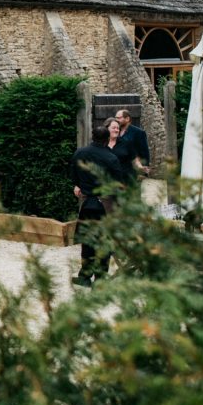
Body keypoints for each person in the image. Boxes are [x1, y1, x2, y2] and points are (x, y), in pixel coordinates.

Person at [69, 124, 129, 286]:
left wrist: (81, 185)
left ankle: (85, 277)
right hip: (105, 206)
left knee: (88, 242)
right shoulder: (111, 158)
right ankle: (100, 280)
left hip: (88, 204)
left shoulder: (80, 153)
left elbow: (74, 176)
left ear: (93, 136)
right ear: (107, 139)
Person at [115, 108, 151, 175]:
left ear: (127, 119)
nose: (116, 120)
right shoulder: (115, 131)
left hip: (133, 169)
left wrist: (144, 170)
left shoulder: (139, 132)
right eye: (115, 118)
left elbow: (144, 152)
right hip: (119, 168)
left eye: (119, 118)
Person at [105, 117, 138, 187]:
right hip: (106, 183)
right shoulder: (100, 144)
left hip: (126, 182)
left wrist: (140, 168)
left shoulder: (127, 143)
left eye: (118, 128)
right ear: (106, 129)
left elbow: (134, 160)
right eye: (114, 128)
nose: (116, 130)